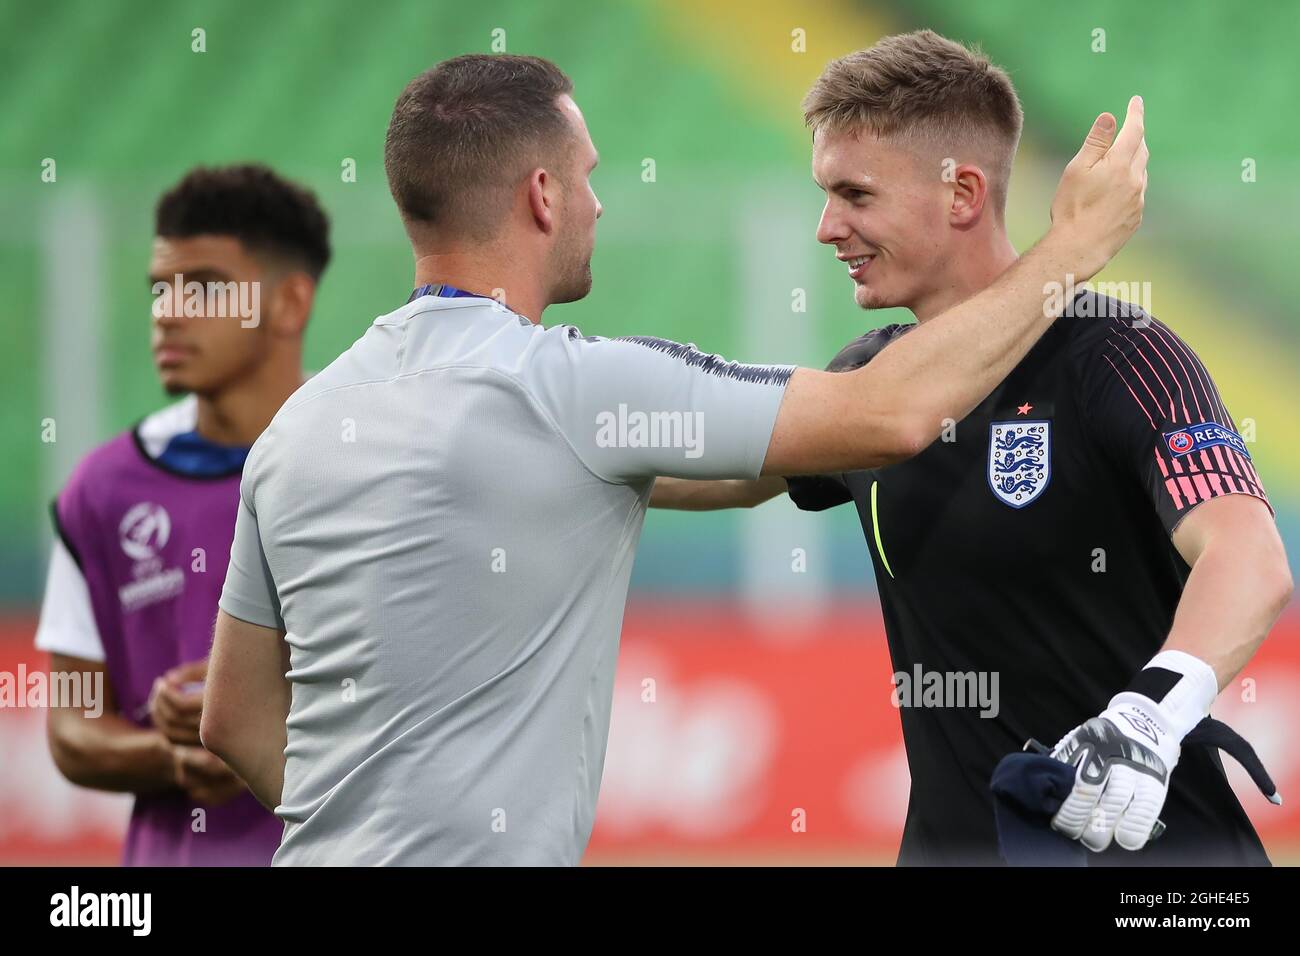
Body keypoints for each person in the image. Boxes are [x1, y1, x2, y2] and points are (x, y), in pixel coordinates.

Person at [200, 52, 1147, 865]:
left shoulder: (299, 427)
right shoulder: (580, 391)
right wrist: (1074, 248)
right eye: (588, 175)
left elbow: (232, 719)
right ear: (542, 195)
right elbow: (888, 415)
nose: (599, 204)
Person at [651, 31, 1291, 865]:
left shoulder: (1120, 352)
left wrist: (1149, 714)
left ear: (961, 194)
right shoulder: (871, 388)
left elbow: (1250, 555)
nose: (825, 227)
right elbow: (701, 474)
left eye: (855, 195)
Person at [36, 164, 329, 865]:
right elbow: (73, 727)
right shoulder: (102, 491)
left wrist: (248, 727)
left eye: (204, 287)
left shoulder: (367, 462)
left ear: (290, 303)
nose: (168, 311)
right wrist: (175, 754)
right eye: (159, 290)